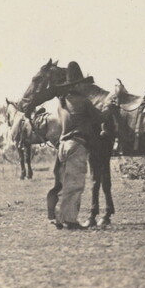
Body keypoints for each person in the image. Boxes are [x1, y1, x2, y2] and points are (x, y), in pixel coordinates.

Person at [46, 66, 100, 230]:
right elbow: (98, 118)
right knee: (75, 184)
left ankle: (58, 217)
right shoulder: (84, 102)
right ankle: (70, 220)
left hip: (63, 145)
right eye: (82, 84)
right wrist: (111, 107)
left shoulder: (62, 104)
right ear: (76, 86)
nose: (85, 88)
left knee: (63, 183)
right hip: (77, 145)